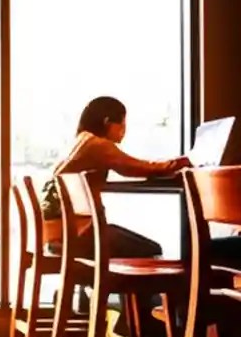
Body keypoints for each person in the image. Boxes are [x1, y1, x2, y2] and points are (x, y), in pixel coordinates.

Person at [41, 96, 190, 259]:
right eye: (122, 124)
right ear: (107, 122)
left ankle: (102, 283)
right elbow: (138, 168)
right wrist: (181, 162)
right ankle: (113, 282)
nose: (124, 130)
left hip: (57, 235)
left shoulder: (78, 142)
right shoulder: (97, 145)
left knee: (128, 240)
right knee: (152, 249)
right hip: (79, 235)